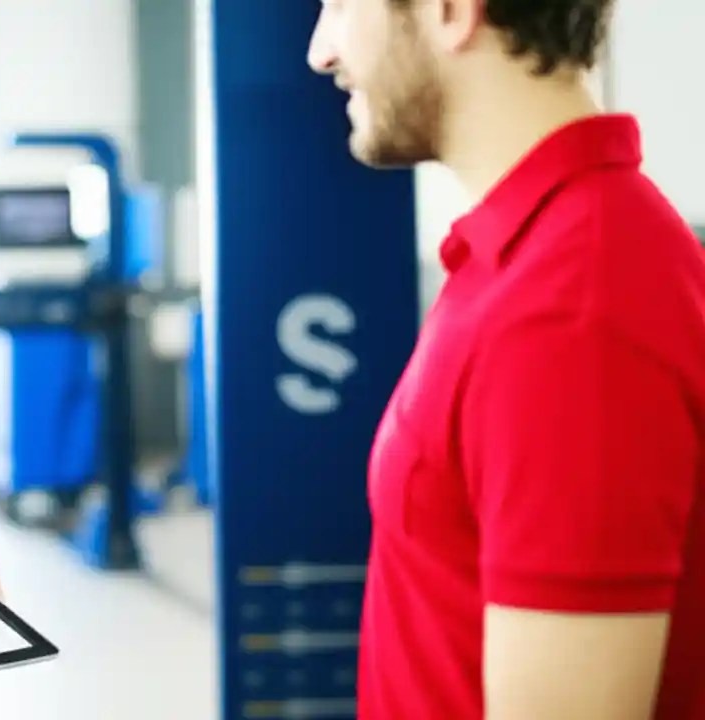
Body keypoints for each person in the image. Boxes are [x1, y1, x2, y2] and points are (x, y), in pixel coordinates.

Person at [307, 1, 704, 719]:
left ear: (452, 11)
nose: (321, 52)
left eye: (340, 4)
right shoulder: (534, 256)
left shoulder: (575, 307)